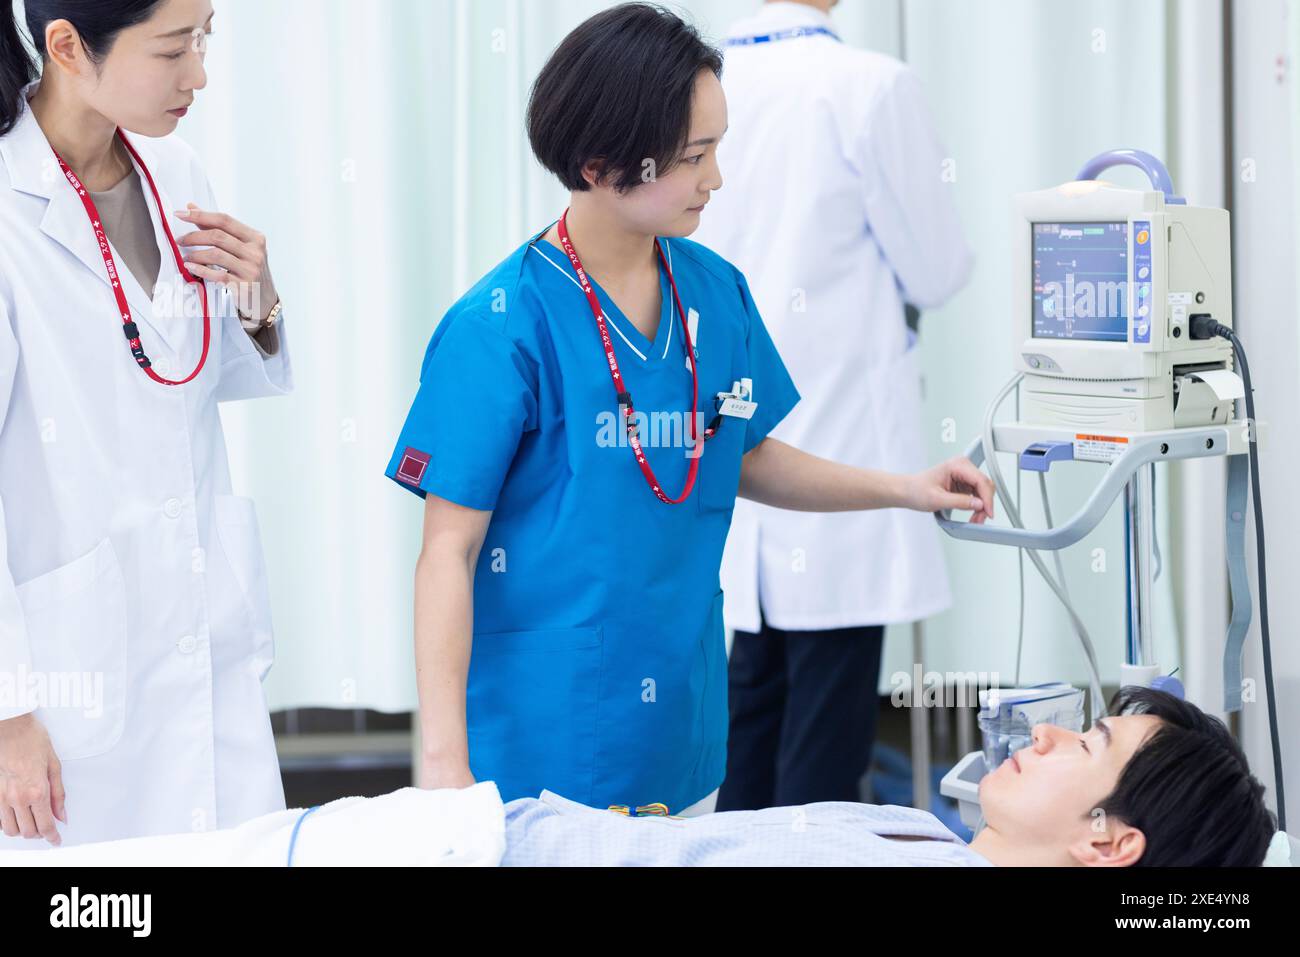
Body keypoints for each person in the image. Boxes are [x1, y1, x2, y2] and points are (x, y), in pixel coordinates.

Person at [385, 2, 993, 818]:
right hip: (539, 743)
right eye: (693, 156)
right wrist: (442, 766)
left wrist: (907, 488)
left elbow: (742, 454)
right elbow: (448, 554)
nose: (716, 178)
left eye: (717, 149)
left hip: (679, 724)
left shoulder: (714, 291)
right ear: (601, 164)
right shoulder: (501, 326)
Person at [0, 0, 292, 848]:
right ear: (67, 48)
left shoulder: (179, 173)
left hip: (202, 643)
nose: (198, 73)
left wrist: (259, 305)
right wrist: (10, 713)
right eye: (173, 49)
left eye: (205, 40)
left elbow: (179, 378)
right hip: (63, 675)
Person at [690, 0, 974, 810]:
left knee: (746, 707)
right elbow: (939, 268)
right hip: (841, 440)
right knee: (826, 730)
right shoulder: (871, 86)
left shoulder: (701, 82)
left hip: (730, 441)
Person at [0, 689, 1277, 867]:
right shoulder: (917, 834)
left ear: (1112, 844)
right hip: (481, 829)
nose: (1048, 734)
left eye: (1089, 748)